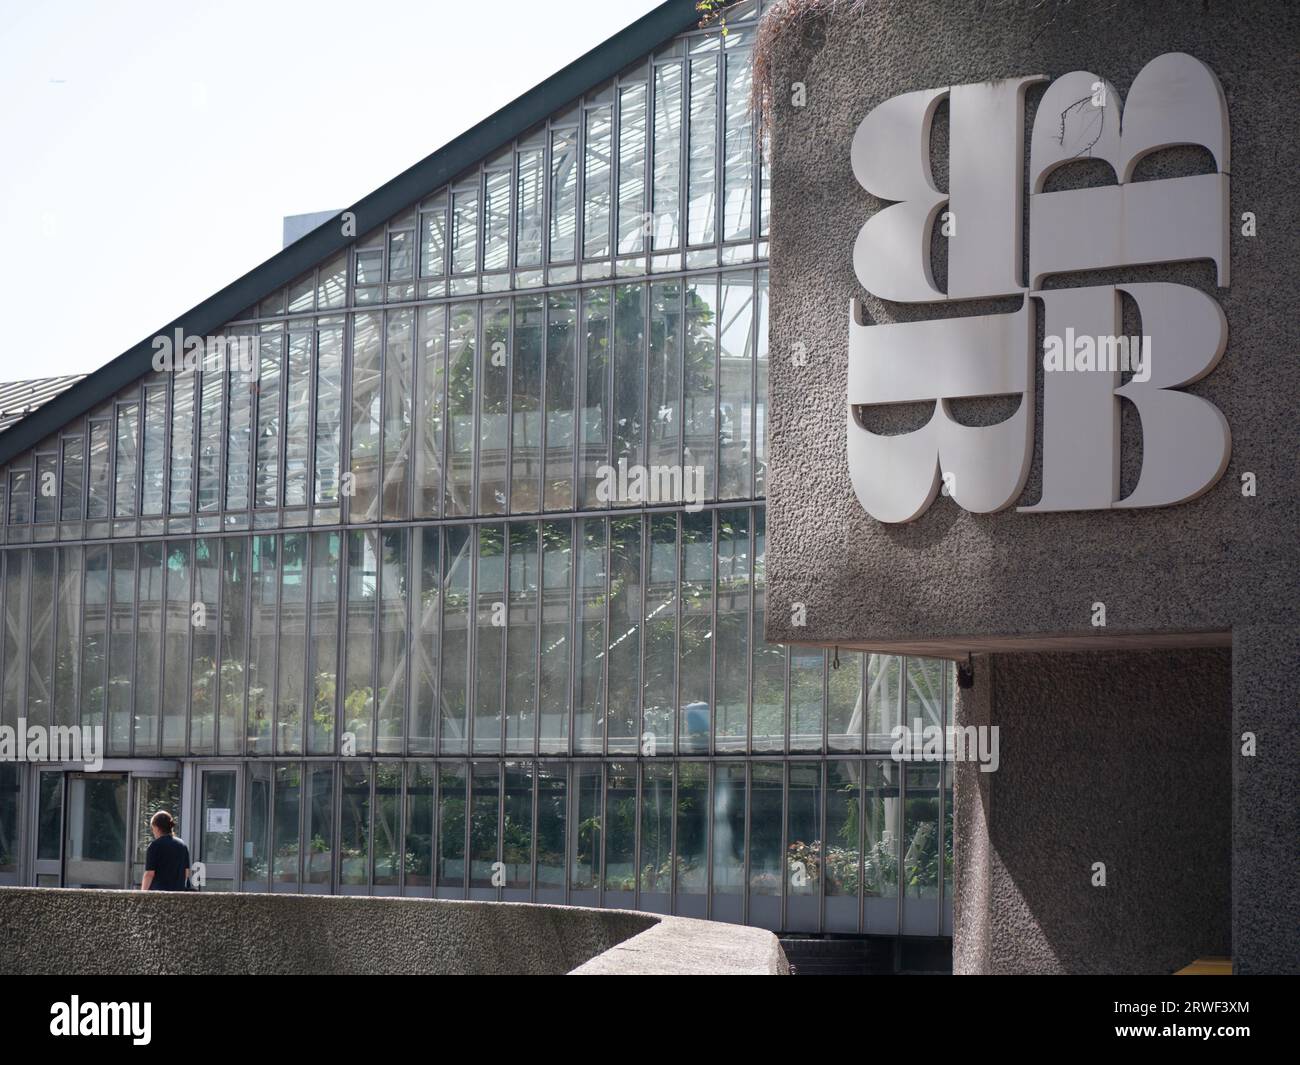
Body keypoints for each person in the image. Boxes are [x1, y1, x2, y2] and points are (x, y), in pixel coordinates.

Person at [141, 810, 192, 891]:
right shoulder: (182, 845)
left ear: (157, 828)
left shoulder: (154, 846)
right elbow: (186, 872)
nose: (153, 831)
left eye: (152, 828)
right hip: (178, 895)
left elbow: (149, 874)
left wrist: (142, 894)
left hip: (158, 894)